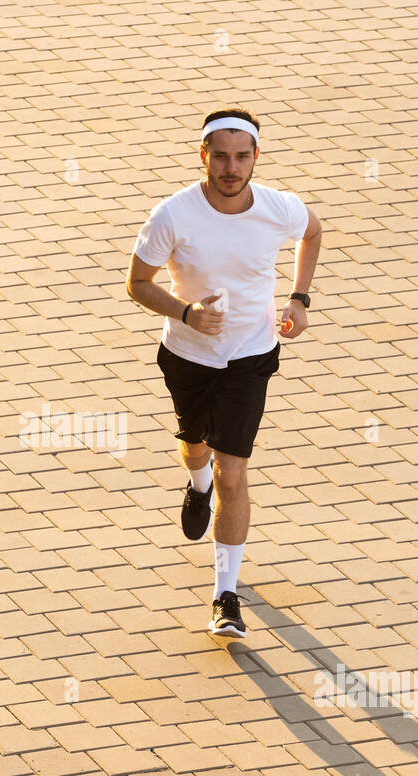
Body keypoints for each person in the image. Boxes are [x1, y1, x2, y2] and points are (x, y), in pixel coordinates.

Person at [126, 107, 323, 638]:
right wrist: (187, 313)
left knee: (235, 473)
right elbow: (137, 284)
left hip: (251, 357)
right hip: (188, 357)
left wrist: (300, 299)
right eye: (220, 157)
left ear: (256, 156)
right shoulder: (173, 215)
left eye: (241, 157)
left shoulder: (279, 208)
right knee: (195, 445)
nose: (231, 168)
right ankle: (196, 481)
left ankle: (224, 597)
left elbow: (314, 232)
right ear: (204, 157)